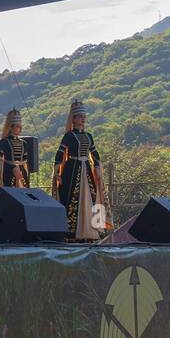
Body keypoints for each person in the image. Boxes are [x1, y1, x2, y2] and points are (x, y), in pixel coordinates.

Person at [53, 99, 105, 241]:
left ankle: (92, 231)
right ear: (74, 119)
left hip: (86, 169)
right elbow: (59, 153)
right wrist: (57, 171)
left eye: (84, 117)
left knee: (92, 198)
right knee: (70, 198)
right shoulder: (69, 136)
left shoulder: (89, 136)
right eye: (80, 117)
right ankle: (71, 233)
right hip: (72, 169)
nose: (83, 119)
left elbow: (94, 153)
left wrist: (97, 167)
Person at [0, 108, 29, 192]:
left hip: (22, 174)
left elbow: (25, 162)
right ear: (11, 127)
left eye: (20, 126)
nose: (19, 128)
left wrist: (25, 174)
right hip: (8, 173)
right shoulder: (3, 142)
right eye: (17, 126)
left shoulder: (24, 143)